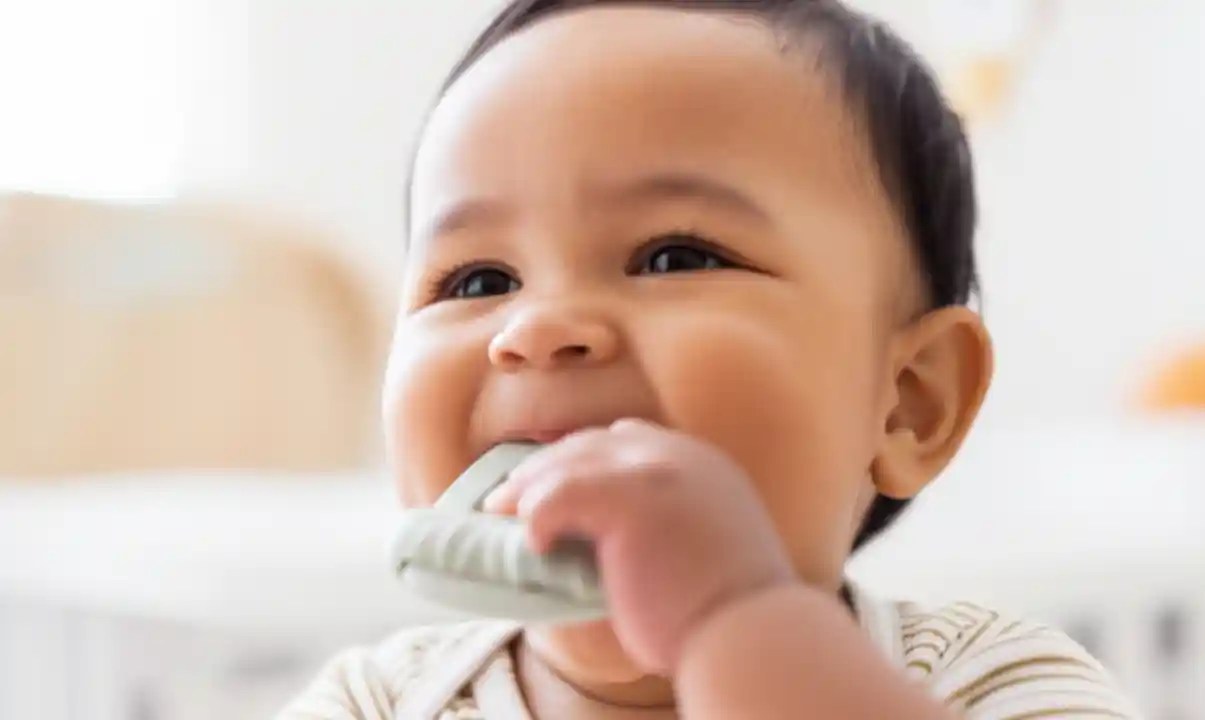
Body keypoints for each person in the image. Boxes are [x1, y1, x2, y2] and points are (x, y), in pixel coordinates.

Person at [282, 1, 1137, 717]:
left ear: (909, 402)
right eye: (478, 277)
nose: (540, 329)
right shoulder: (380, 701)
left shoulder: (982, 679)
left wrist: (739, 624)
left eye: (674, 258)